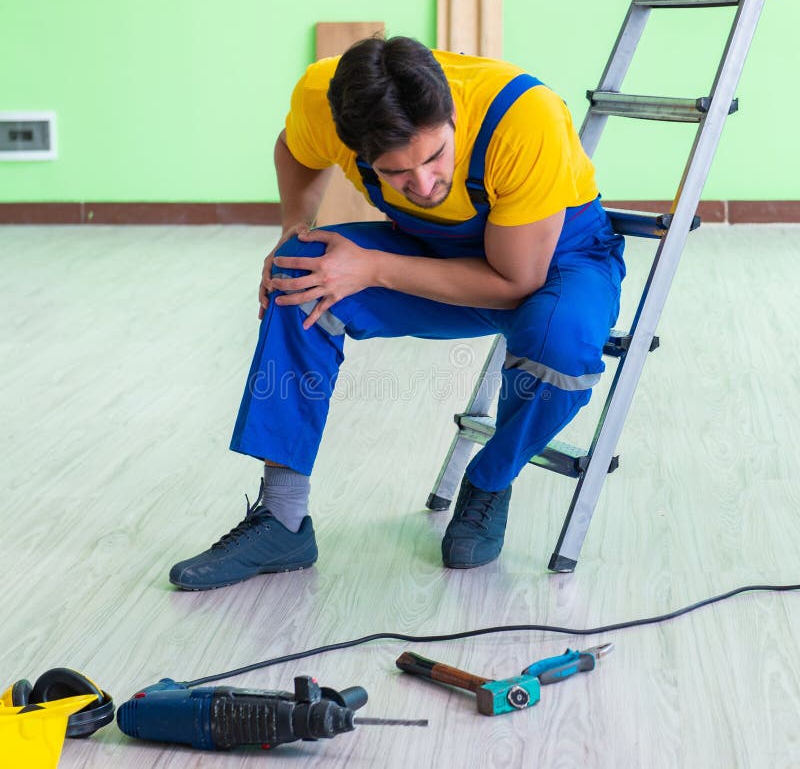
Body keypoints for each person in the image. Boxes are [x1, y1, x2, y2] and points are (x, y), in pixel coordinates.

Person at [169, 36, 625, 590]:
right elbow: (294, 149)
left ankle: (489, 481)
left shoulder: (526, 118)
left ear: (453, 114)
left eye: (435, 157)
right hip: (431, 250)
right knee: (300, 272)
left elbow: (515, 281)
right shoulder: (322, 96)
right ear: (355, 146)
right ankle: (283, 519)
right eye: (396, 174)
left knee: (562, 341)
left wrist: (375, 269)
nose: (425, 183)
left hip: (556, 260)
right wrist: (295, 225)